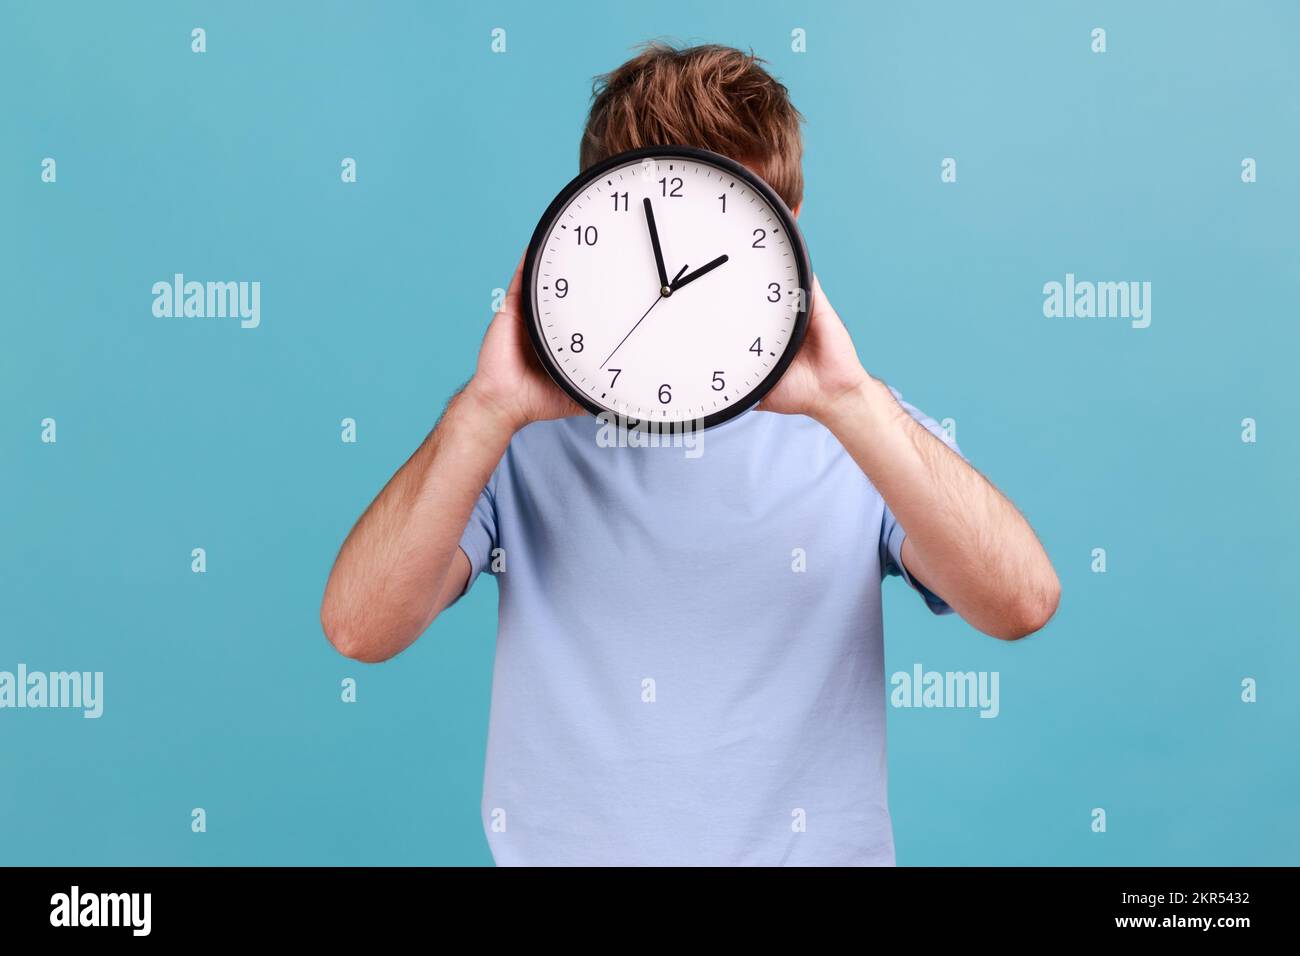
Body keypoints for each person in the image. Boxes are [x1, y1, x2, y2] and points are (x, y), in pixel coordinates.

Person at [320, 43, 1060, 866]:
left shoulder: (861, 433)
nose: (677, 286)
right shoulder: (510, 441)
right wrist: (488, 407)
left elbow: (1020, 603)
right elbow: (359, 629)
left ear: (788, 234)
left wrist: (847, 401)